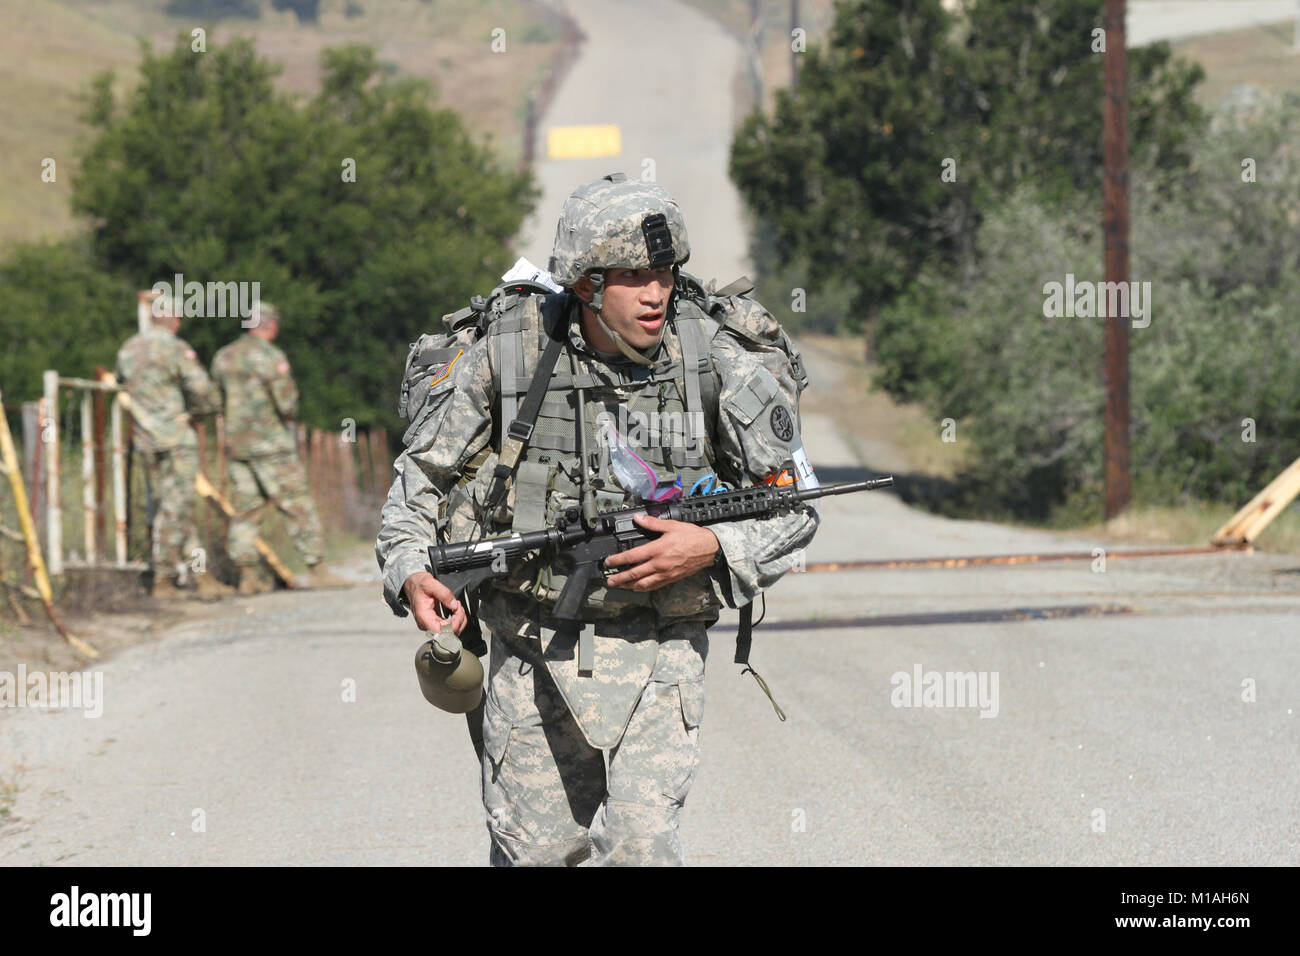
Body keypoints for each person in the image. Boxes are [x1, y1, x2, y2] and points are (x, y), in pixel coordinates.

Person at [376, 174, 817, 866]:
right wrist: (409, 571)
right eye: (634, 276)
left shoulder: (714, 361)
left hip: (661, 648)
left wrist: (711, 545)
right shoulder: (511, 354)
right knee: (539, 853)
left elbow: (794, 505)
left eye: (666, 273)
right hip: (531, 645)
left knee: (641, 850)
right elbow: (417, 479)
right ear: (585, 284)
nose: (656, 293)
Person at [211, 302, 347, 594]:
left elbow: (214, 400)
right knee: (297, 504)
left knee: (245, 511)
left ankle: (247, 576)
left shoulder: (224, 357)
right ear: (271, 325)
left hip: (238, 446)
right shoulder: (271, 357)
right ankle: (317, 568)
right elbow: (286, 404)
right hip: (271, 445)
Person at [115, 294, 221, 598]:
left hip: (146, 440)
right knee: (178, 507)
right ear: (174, 320)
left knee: (173, 506)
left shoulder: (128, 349)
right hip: (176, 438)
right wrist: (201, 413)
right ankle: (162, 579)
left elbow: (123, 384)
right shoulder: (176, 348)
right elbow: (202, 388)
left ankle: (202, 577)